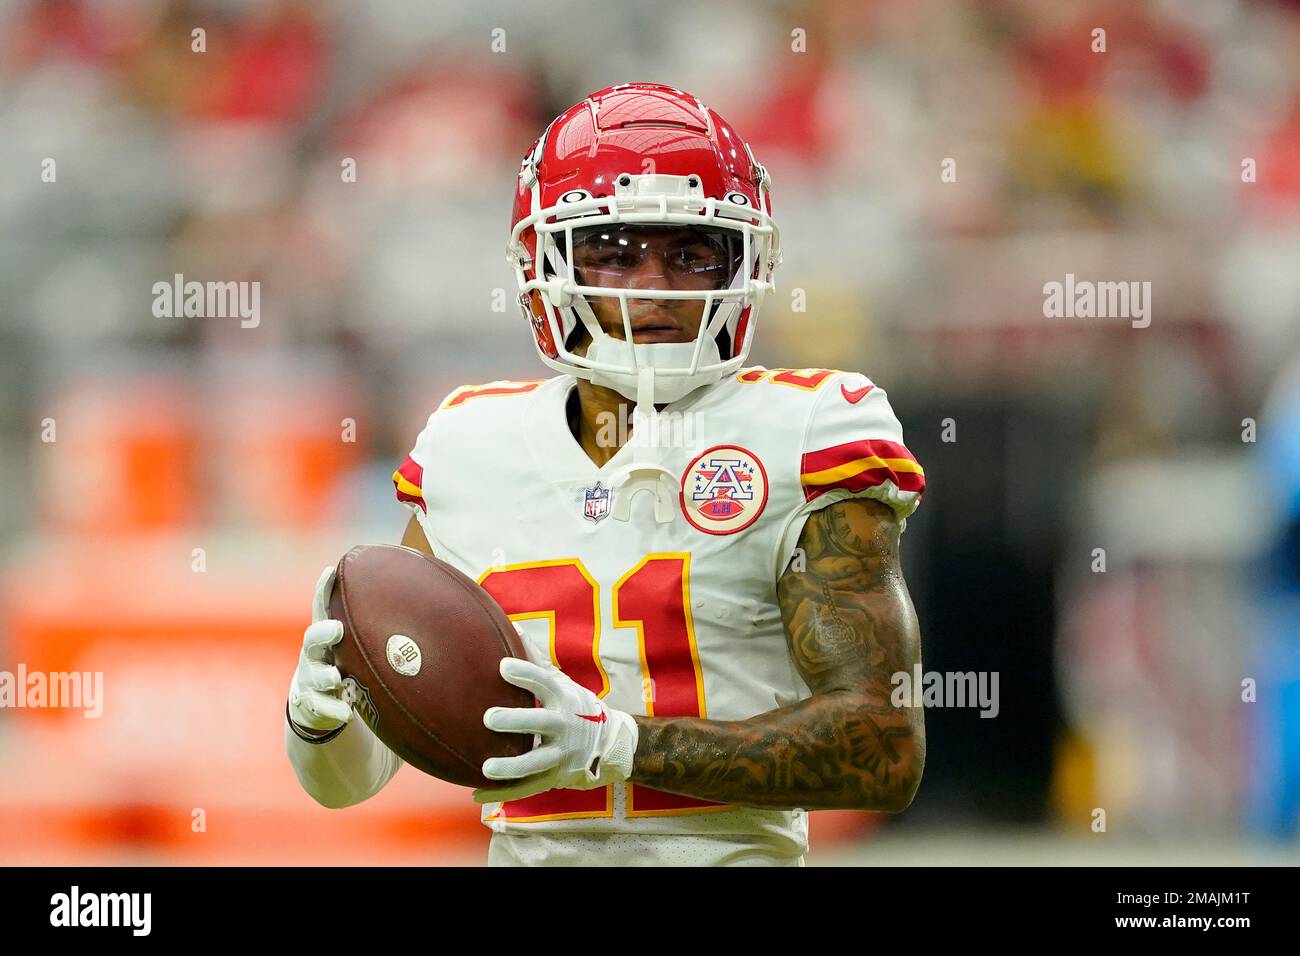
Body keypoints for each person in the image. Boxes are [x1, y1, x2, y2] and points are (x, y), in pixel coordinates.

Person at [285, 82, 928, 866]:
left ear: (743, 264)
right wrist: (321, 723)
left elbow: (883, 747)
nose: (652, 287)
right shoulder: (470, 443)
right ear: (545, 263)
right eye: (613, 252)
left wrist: (618, 743)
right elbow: (349, 785)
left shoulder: (808, 429)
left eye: (692, 253)